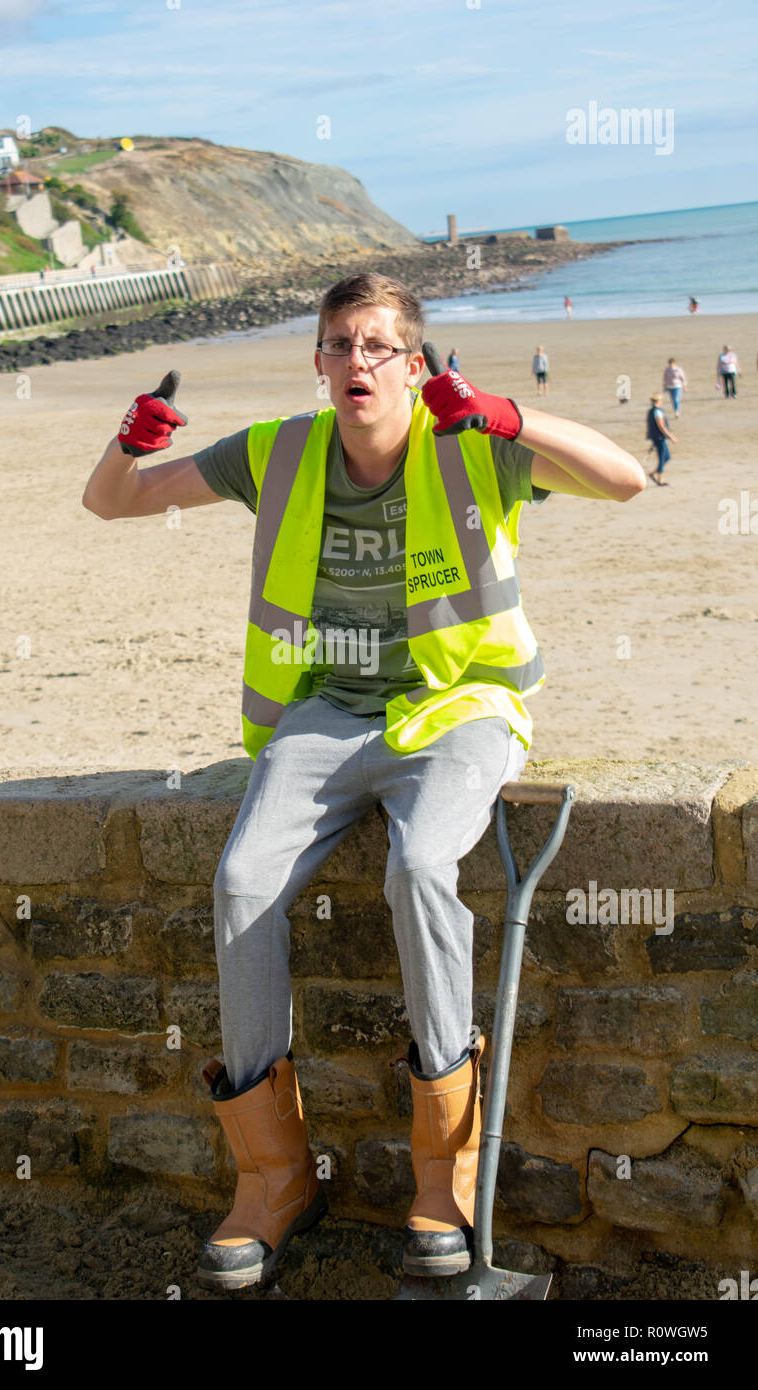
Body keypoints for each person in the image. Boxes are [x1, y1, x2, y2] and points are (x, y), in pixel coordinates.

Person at [82, 272, 646, 1292]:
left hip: (460, 710)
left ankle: (444, 1174)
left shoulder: (472, 444)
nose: (356, 361)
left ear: (416, 364)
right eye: (339, 342)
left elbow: (623, 479)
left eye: (379, 346)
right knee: (243, 881)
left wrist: (506, 414)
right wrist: (135, 438)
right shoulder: (280, 452)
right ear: (316, 359)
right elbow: (111, 502)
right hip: (324, 718)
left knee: (421, 863)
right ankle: (272, 1177)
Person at [646, 391, 677, 485]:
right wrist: (671, 436)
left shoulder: (653, 411)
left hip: (657, 437)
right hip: (659, 438)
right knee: (663, 457)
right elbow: (662, 426)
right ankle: (659, 478)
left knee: (666, 457)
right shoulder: (657, 412)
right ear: (658, 401)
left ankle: (655, 474)